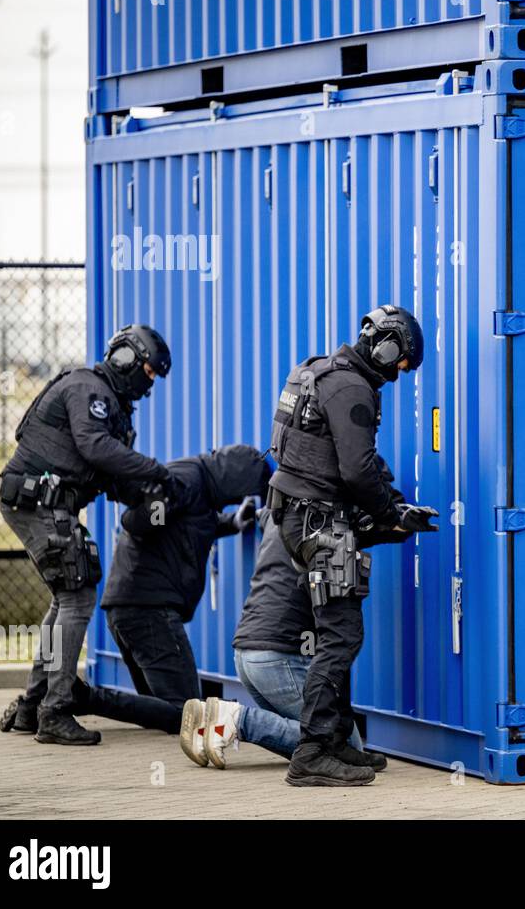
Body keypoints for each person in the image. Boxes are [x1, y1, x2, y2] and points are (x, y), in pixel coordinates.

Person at [265, 304, 438, 787]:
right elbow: (358, 470)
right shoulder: (352, 386)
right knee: (343, 634)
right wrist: (389, 516)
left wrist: (396, 507)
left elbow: (349, 459)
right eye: (400, 363)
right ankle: (313, 751)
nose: (398, 375)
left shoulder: (320, 370)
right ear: (386, 347)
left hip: (301, 514)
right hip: (317, 518)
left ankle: (337, 737)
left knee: (334, 632)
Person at [0, 324, 172, 746]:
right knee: (77, 596)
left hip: (45, 503)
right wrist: (153, 469)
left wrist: (156, 494)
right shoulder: (87, 390)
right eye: (147, 372)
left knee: (67, 598)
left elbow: (112, 478)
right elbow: (94, 448)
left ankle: (32, 706)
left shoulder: (113, 406)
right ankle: (55, 711)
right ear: (126, 359)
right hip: (36, 500)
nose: (147, 384)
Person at [178, 508, 406, 769]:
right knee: (344, 748)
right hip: (280, 658)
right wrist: (397, 521)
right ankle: (237, 719)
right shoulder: (328, 517)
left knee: (311, 730)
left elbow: (265, 514)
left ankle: (207, 723)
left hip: (248, 652)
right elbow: (368, 522)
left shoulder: (285, 512)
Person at [77, 444, 270, 733]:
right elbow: (135, 521)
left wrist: (231, 522)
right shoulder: (185, 481)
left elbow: (188, 523)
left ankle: (75, 697)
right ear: (236, 480)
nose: (241, 499)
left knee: (166, 709)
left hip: (130, 608)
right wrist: (153, 511)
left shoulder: (197, 485)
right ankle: (82, 697)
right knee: (187, 712)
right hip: (148, 612)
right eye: (245, 492)